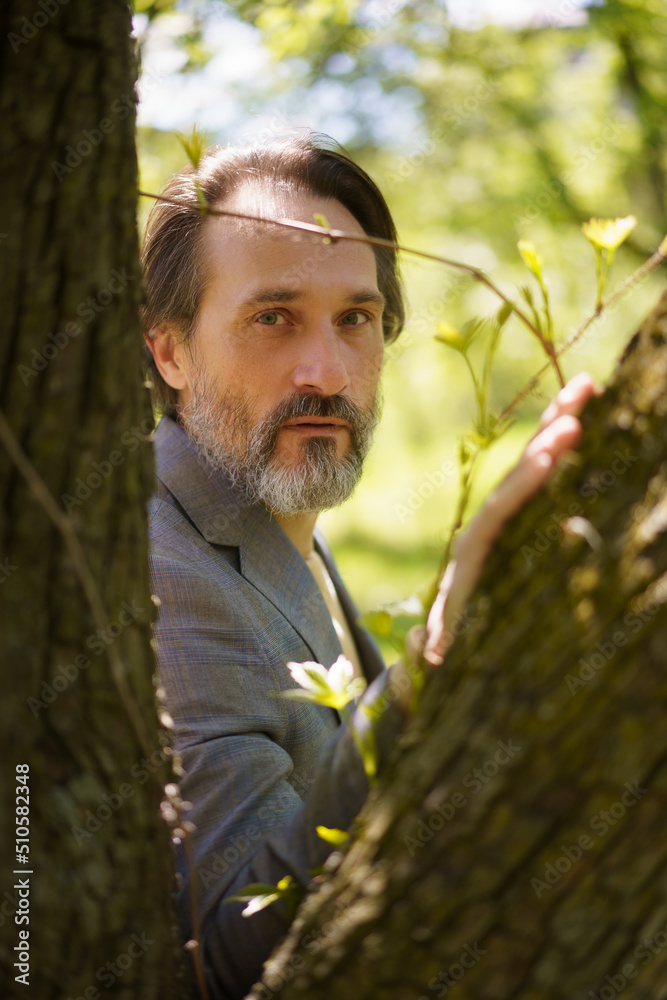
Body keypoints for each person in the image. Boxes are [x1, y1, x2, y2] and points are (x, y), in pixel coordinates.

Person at [141, 135, 595, 1000]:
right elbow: (234, 959)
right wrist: (441, 654)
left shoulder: (269, 525)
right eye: (272, 317)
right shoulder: (165, 574)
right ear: (168, 350)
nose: (327, 371)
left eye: (354, 318)